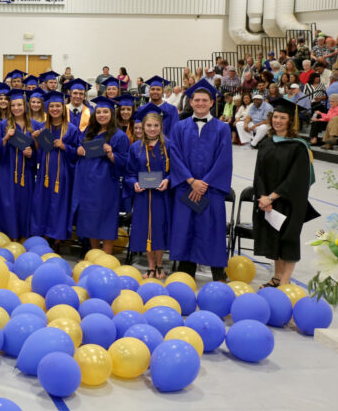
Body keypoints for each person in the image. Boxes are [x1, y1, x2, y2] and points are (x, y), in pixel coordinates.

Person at [169, 79, 233, 282]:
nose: (200, 104)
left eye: (204, 100)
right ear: (191, 102)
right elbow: (175, 155)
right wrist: (190, 181)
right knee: (186, 227)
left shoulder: (222, 128)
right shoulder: (179, 127)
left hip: (211, 190)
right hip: (186, 188)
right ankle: (186, 273)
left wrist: (204, 183)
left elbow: (224, 160)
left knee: (212, 229)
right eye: (197, 100)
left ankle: (218, 274)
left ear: (212, 103)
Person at [252, 98, 319, 288]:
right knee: (274, 239)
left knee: (287, 240)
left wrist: (272, 196)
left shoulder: (298, 146)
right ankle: (276, 276)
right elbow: (258, 173)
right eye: (276, 117)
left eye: (283, 117)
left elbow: (295, 179)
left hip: (288, 202)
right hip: (268, 202)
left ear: (291, 121)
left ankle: (285, 281)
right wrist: (262, 196)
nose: (278, 121)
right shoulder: (267, 142)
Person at [72, 96, 129, 254]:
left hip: (106, 184)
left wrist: (111, 154)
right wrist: (79, 150)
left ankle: (106, 257)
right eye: (98, 112)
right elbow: (79, 149)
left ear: (112, 114)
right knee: (90, 219)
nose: (101, 115)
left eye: (105, 112)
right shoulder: (89, 132)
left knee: (106, 220)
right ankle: (94, 254)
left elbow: (124, 162)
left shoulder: (119, 136)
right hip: (87, 183)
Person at [125, 104, 176, 279]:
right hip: (142, 196)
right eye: (149, 126)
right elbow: (129, 173)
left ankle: (160, 264)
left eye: (156, 126)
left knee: (159, 228)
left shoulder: (169, 146)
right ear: (142, 127)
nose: (152, 129)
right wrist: (134, 184)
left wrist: (167, 180)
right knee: (146, 229)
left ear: (161, 127)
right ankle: (151, 265)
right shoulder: (135, 148)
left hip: (162, 195)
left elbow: (175, 171)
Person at [30, 90, 81, 246]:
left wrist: (64, 146)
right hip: (45, 171)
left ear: (62, 108)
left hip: (63, 173)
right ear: (47, 108)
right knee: (42, 202)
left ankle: (57, 237)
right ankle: (42, 235)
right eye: (52, 106)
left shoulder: (72, 129)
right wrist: (35, 140)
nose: (55, 109)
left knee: (59, 203)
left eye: (58, 106)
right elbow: (38, 152)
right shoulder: (43, 127)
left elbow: (77, 153)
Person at [0, 90, 38, 240]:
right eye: (13, 105)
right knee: (7, 204)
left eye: (19, 105)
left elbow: (42, 153)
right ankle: (7, 238)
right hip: (7, 170)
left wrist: (32, 154)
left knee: (24, 204)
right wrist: (5, 139)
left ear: (25, 106)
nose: (16, 108)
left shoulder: (34, 125)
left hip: (26, 172)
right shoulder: (3, 125)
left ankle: (23, 237)